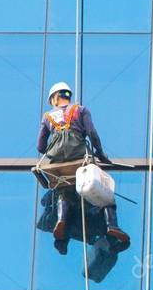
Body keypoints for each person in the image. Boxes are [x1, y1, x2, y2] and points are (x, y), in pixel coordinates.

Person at [36, 82, 129, 254]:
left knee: (63, 189)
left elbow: (40, 146)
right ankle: (111, 225)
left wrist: (51, 152)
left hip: (58, 162)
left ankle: (61, 218)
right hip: (80, 158)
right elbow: (92, 134)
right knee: (106, 197)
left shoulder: (47, 116)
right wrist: (101, 154)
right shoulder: (81, 110)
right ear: (67, 96)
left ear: (55, 98)